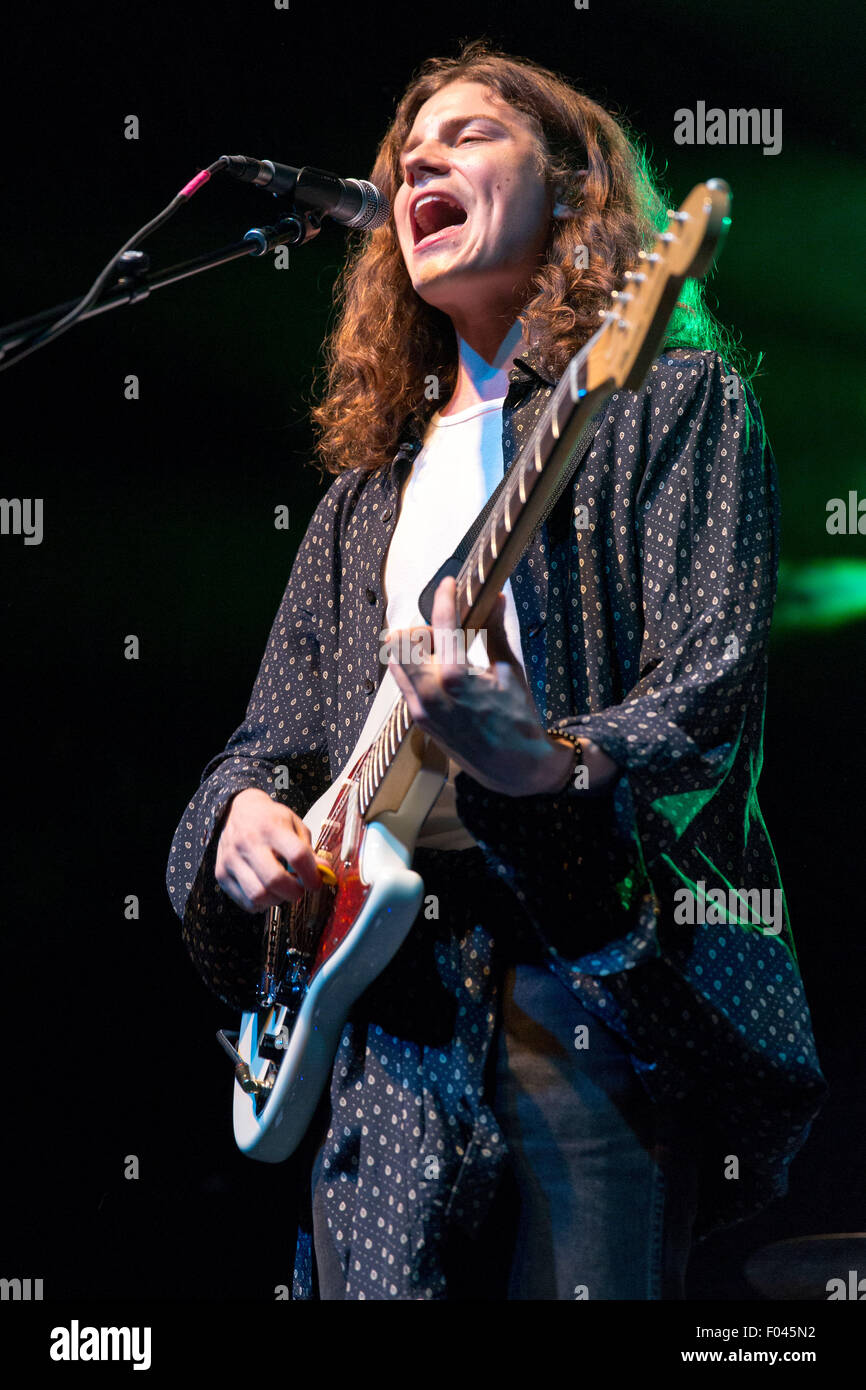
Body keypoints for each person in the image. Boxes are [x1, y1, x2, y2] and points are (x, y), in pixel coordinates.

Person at [166, 40, 826, 1300]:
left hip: (582, 981)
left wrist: (551, 763)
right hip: (382, 1011)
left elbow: (708, 694)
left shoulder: (664, 401)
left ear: (574, 192)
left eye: (471, 136)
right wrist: (234, 821)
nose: (421, 155)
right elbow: (263, 740)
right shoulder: (364, 496)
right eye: (408, 149)